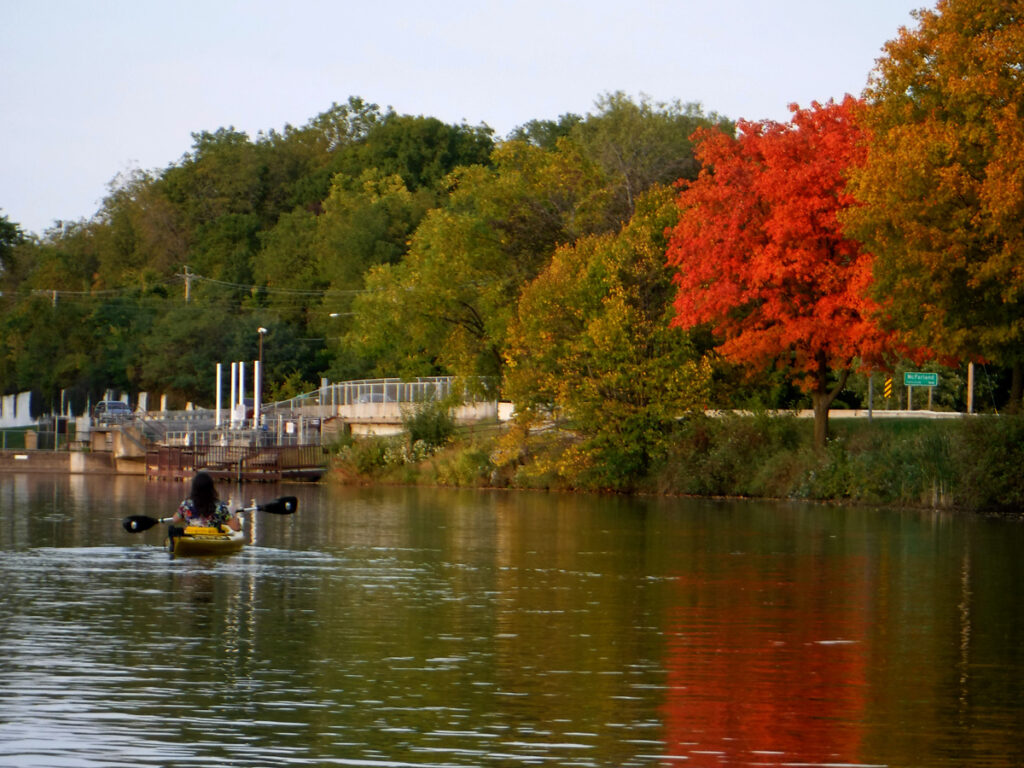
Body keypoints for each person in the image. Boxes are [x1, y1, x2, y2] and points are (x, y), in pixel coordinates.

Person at [171, 471, 241, 531]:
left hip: (192, 536)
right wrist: (232, 513)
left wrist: (186, 516)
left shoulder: (186, 505)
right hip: (213, 539)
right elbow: (236, 527)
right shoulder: (220, 507)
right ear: (211, 488)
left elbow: (175, 520)